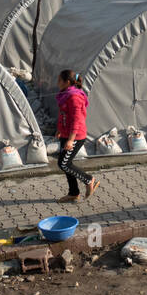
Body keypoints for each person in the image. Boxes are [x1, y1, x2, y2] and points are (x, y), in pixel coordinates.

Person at [55, 69, 100, 202]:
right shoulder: (65, 94)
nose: (57, 83)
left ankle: (88, 179)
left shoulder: (74, 97)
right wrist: (59, 129)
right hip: (66, 134)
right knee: (67, 163)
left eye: (59, 80)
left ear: (67, 82)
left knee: (63, 163)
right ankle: (74, 193)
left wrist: (70, 140)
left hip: (75, 136)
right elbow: (63, 114)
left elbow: (77, 120)